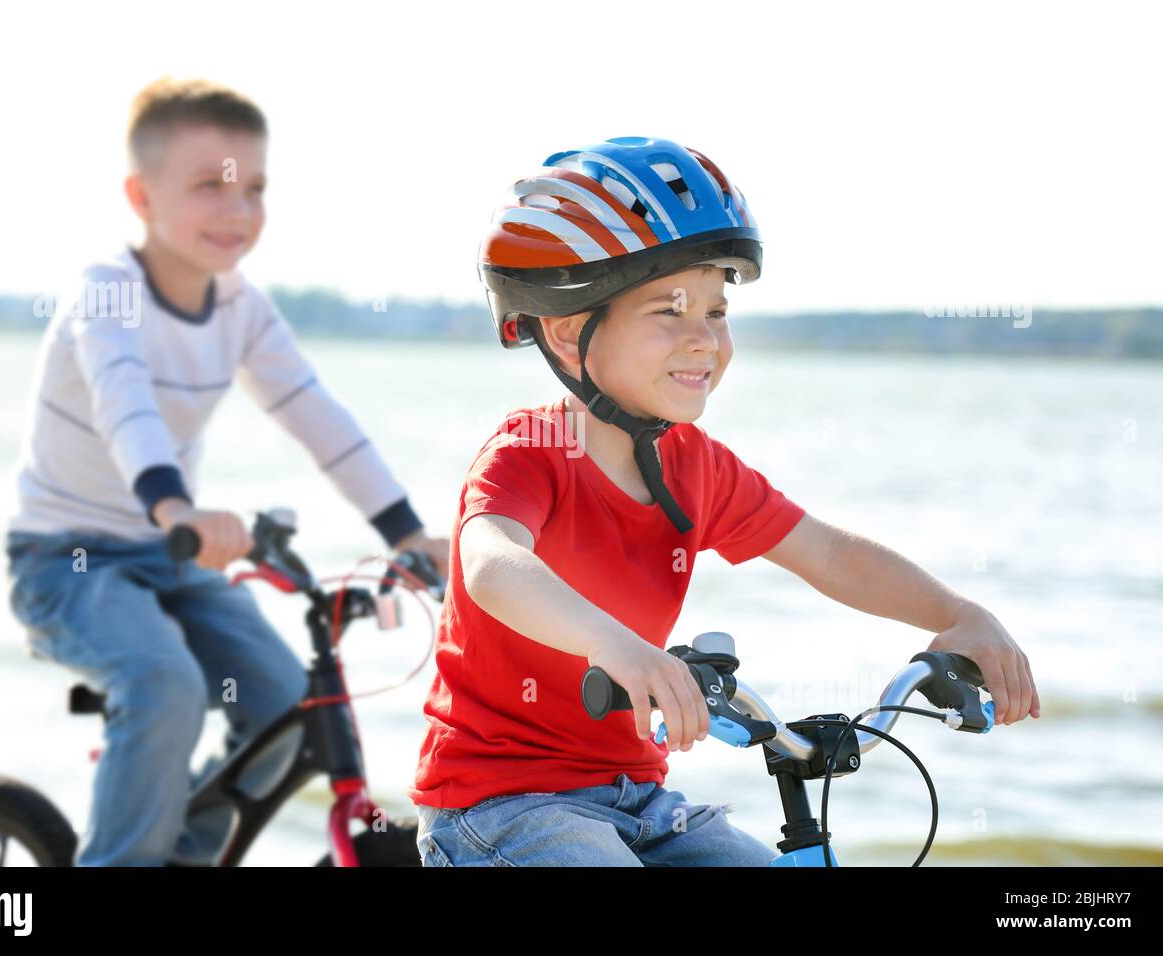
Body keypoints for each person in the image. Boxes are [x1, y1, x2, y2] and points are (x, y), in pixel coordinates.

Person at [409, 136, 1040, 866]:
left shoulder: (695, 468)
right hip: (504, 804)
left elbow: (829, 554)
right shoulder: (533, 451)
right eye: (669, 312)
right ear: (567, 331)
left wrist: (961, 616)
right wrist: (613, 643)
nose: (704, 338)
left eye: (717, 309)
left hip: (641, 801)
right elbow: (489, 562)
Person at [4, 76, 448, 866]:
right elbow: (125, 407)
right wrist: (175, 509)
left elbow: (318, 417)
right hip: (64, 561)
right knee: (163, 683)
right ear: (141, 196)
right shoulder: (106, 294)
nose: (239, 211)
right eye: (210, 186)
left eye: (255, 189)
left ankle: (181, 854)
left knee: (285, 701)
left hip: (166, 556)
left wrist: (408, 533)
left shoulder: (241, 307)